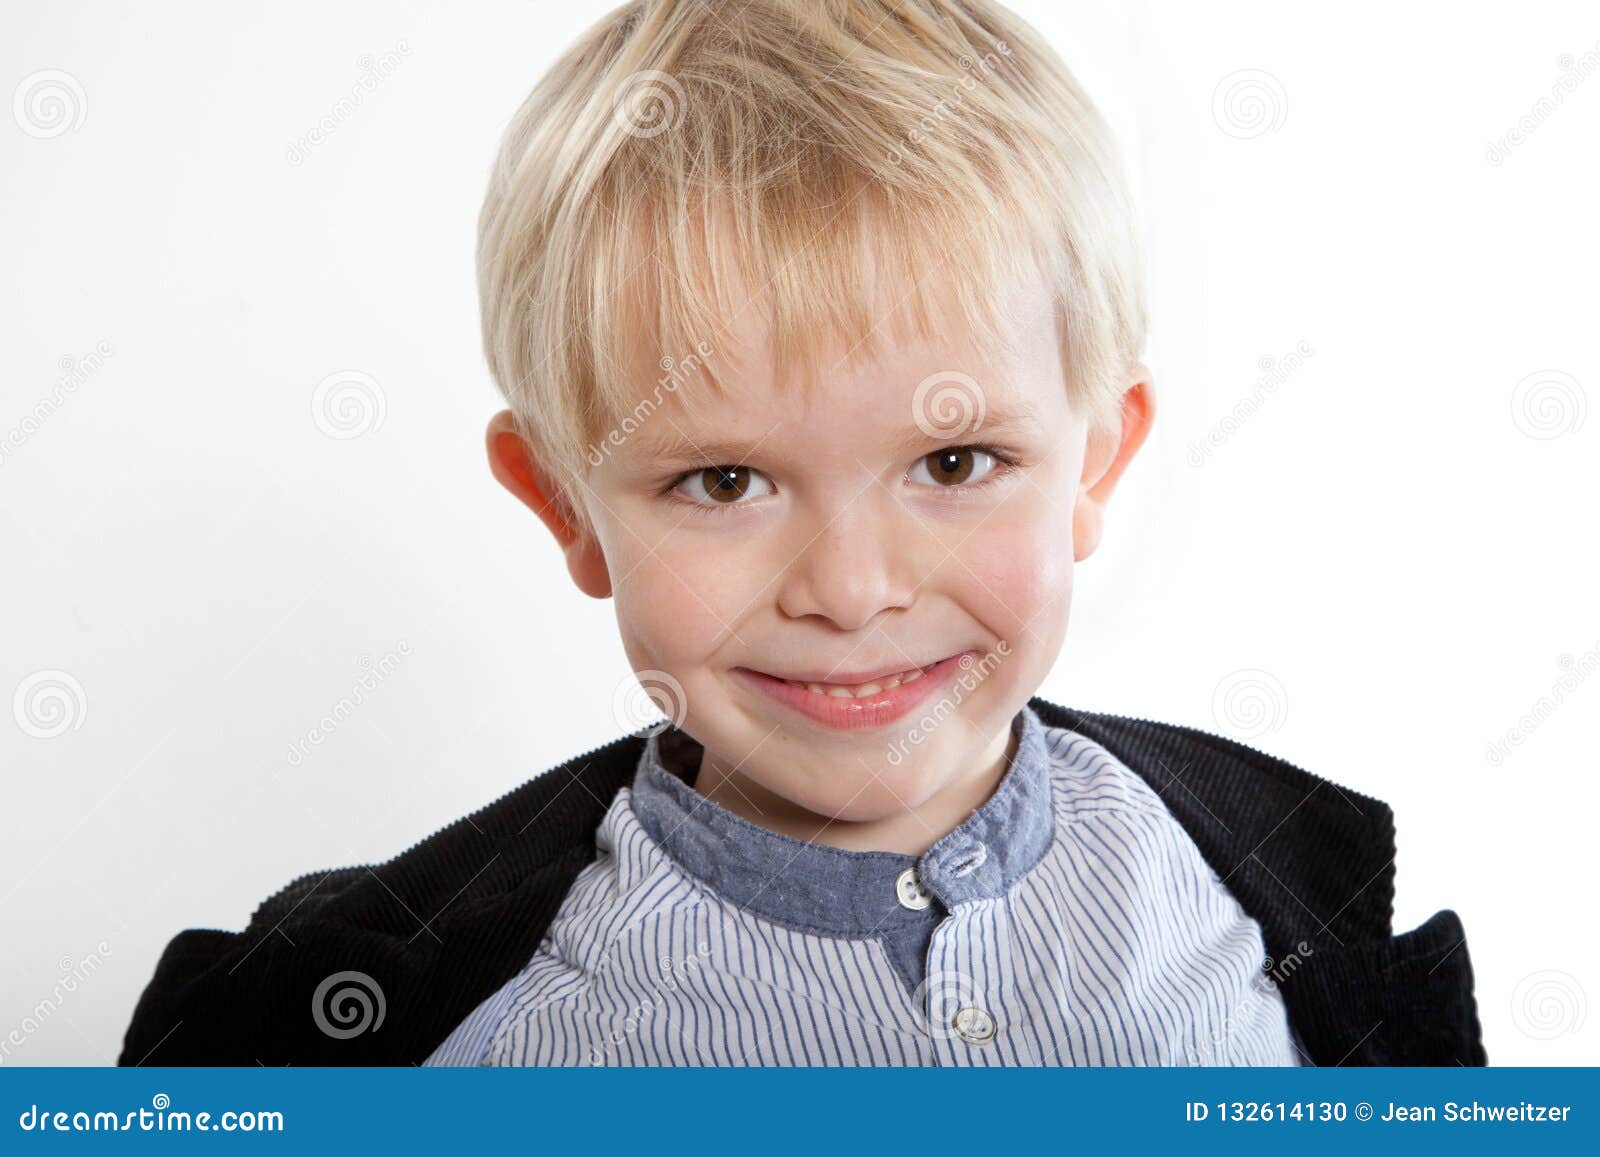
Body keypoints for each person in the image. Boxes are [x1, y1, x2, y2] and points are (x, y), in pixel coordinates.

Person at [119, 0, 1484, 1066]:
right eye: (723, 482)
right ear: (564, 507)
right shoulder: (426, 1031)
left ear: (1096, 461)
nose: (851, 587)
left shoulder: (1271, 915)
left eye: (954, 459)